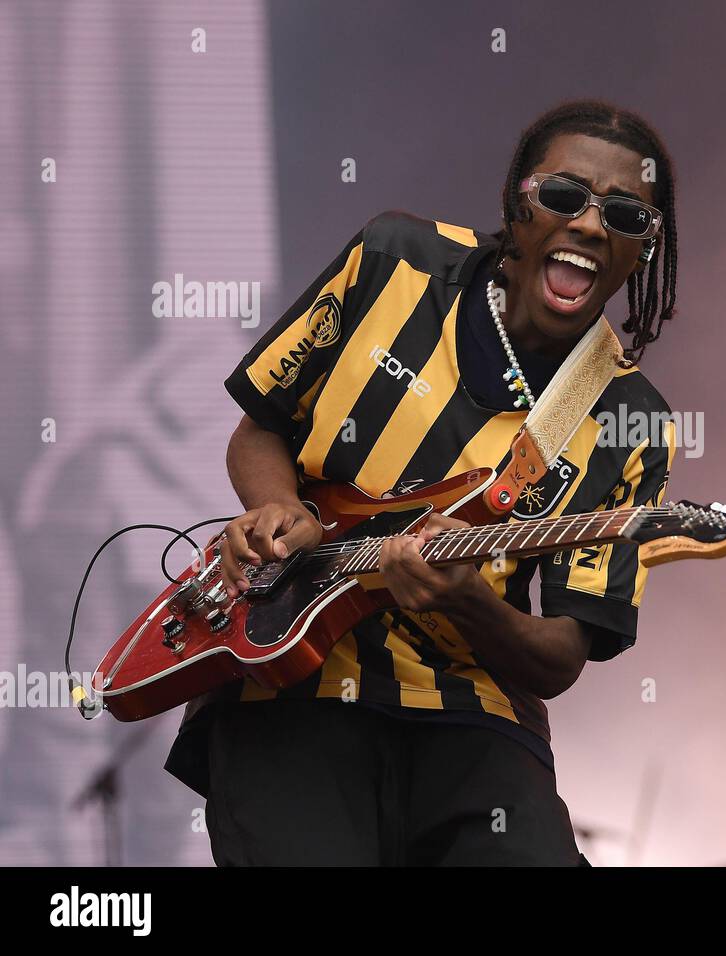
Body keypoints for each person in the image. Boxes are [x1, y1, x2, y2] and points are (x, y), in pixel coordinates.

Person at [163, 99, 680, 865]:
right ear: (518, 201)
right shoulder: (392, 260)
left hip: (473, 718)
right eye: (565, 196)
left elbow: (560, 656)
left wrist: (469, 601)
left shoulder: (632, 420)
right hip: (296, 680)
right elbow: (261, 426)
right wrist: (276, 509)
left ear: (645, 248)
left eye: (627, 216)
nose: (592, 226)